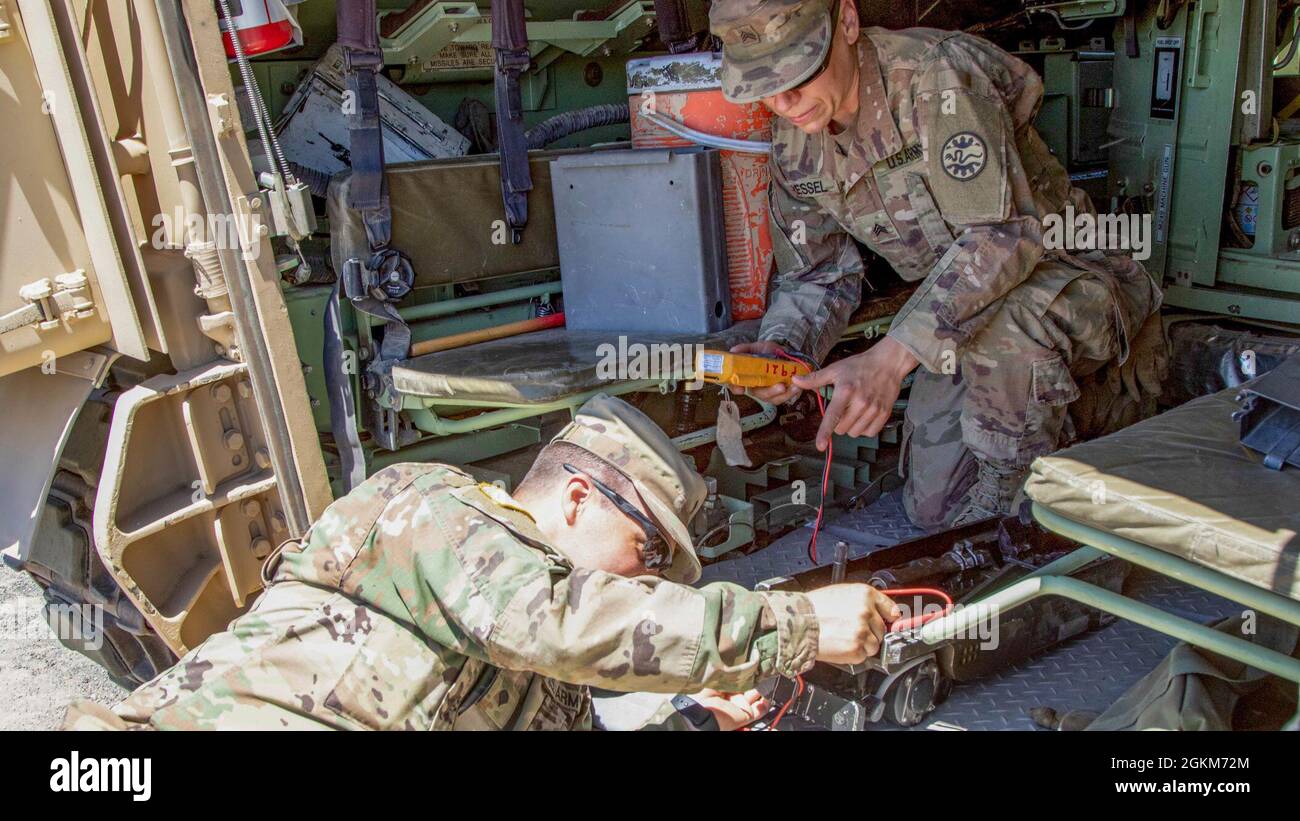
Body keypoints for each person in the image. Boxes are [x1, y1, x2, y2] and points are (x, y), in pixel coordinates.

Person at [64, 394, 899, 730]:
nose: (646, 581)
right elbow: (555, 621)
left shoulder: (549, 684)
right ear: (579, 497)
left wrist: (694, 722)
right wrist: (792, 623)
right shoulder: (433, 505)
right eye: (648, 551)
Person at [711, 0, 1164, 528]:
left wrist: (889, 360)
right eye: (764, 86)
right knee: (935, 508)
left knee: (1010, 348)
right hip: (960, 317)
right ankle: (1056, 431)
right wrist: (786, 349)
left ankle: (1043, 483)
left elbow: (1002, 235)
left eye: (799, 73)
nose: (783, 101)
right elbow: (817, 272)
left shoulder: (936, 76)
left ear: (847, 22)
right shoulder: (794, 138)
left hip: (1073, 278)